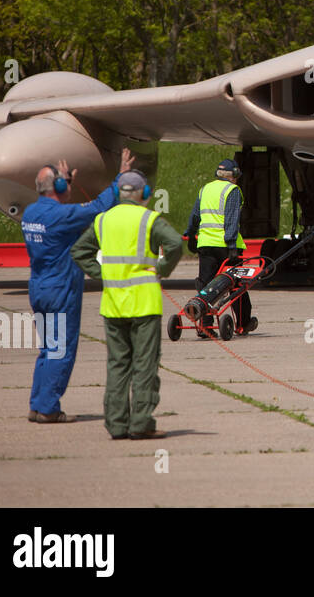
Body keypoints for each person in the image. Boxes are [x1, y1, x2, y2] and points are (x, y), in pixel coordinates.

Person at [20, 148, 135, 423]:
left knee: (48, 349)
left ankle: (38, 404)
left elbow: (62, 208)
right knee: (61, 349)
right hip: (61, 289)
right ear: (58, 186)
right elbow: (99, 207)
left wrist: (64, 184)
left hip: (39, 288)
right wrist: (120, 177)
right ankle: (48, 408)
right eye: (62, 181)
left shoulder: (31, 213)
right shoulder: (62, 216)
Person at [70, 171, 183, 440]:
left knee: (117, 364)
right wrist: (162, 268)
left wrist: (103, 274)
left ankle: (117, 424)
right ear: (144, 194)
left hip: (113, 305)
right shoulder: (149, 218)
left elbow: (79, 251)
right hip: (144, 303)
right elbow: (176, 243)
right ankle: (141, 423)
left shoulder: (103, 219)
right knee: (144, 365)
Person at [186, 158, 253, 333]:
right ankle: (243, 323)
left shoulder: (205, 189)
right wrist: (231, 244)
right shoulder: (232, 190)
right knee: (235, 284)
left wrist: (191, 235)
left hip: (206, 244)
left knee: (206, 285)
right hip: (225, 246)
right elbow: (231, 219)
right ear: (234, 175)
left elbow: (195, 216)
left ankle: (205, 325)